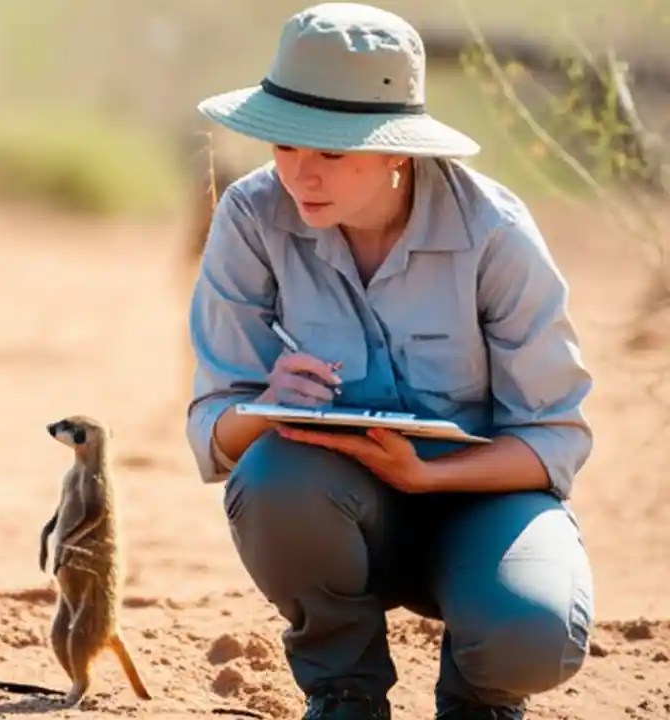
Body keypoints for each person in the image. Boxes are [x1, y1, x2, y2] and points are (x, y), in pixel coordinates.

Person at [185, 4, 595, 720]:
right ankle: (343, 692)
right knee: (273, 480)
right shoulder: (251, 218)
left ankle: (481, 700)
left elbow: (554, 439)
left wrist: (428, 473)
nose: (300, 175)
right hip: (337, 508)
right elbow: (214, 432)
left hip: (485, 506)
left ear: (397, 150)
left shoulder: (495, 233)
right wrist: (262, 404)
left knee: (531, 634)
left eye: (331, 153)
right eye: (285, 146)